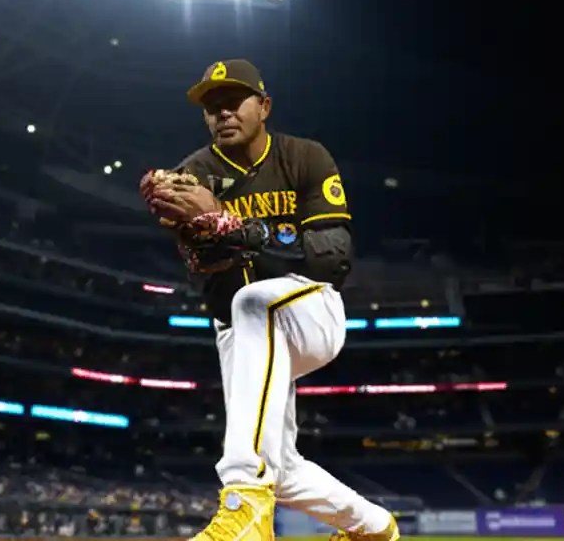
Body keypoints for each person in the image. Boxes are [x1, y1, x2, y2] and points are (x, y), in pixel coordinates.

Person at [140, 59, 397, 541]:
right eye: (211, 106)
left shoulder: (304, 156)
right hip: (238, 327)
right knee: (282, 464)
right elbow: (203, 268)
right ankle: (376, 528)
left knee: (254, 300)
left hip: (310, 311)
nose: (222, 112)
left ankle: (243, 500)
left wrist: (235, 226)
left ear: (265, 106)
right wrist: (187, 230)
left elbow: (334, 258)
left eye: (233, 100)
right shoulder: (193, 173)